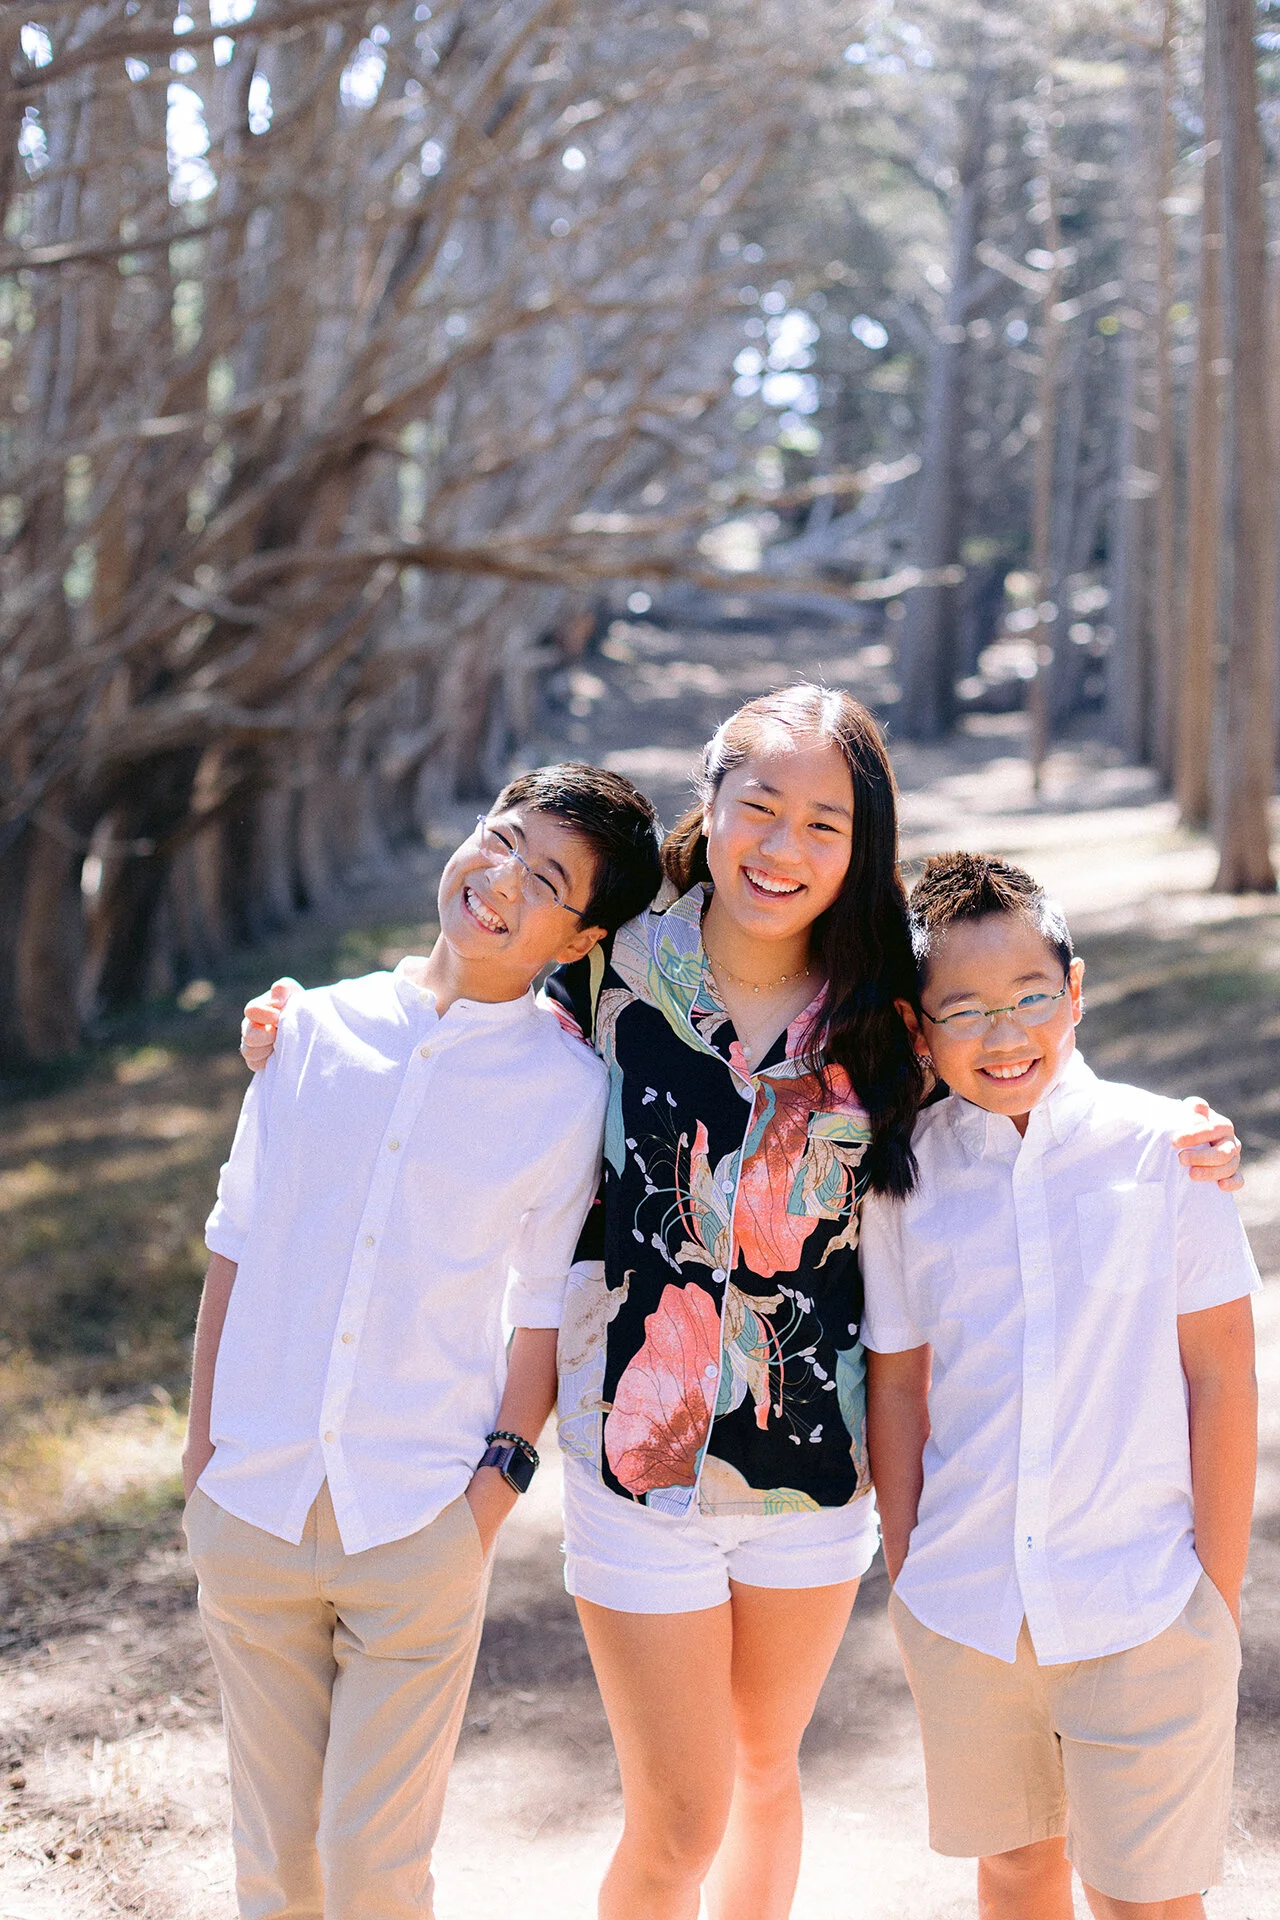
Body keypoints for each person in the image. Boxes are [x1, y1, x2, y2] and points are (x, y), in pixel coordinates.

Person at [241, 692, 1243, 1920]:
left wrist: (1184, 1137)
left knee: (766, 1769)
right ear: (707, 809)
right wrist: (302, 1019)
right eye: (756, 807)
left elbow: (1021, 1059)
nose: (782, 848)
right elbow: (474, 998)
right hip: (632, 1453)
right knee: (677, 1817)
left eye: (822, 823)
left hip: (805, 1469)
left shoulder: (885, 1011)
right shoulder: (613, 966)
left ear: (859, 843)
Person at [183, 762, 663, 1920]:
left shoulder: (562, 1091)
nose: (498, 878)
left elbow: (541, 1308)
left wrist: (489, 1495)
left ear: (576, 935)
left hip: (416, 1524)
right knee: (276, 1871)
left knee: (370, 1871)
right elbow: (234, 1243)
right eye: (498, 837)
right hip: (250, 1501)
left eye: (544, 877)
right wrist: (202, 1460)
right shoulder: (308, 1029)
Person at [862, 851, 1259, 1920]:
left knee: (1147, 1899)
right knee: (1014, 1875)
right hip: (968, 1610)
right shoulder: (904, 1180)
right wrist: (911, 1577)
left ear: (1073, 995)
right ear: (916, 1029)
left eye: (1031, 997)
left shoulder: (1167, 1153)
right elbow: (896, 1390)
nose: (1004, 1035)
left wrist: (1208, 1604)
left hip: (1142, 1603)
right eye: (965, 1011)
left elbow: (1220, 1375)